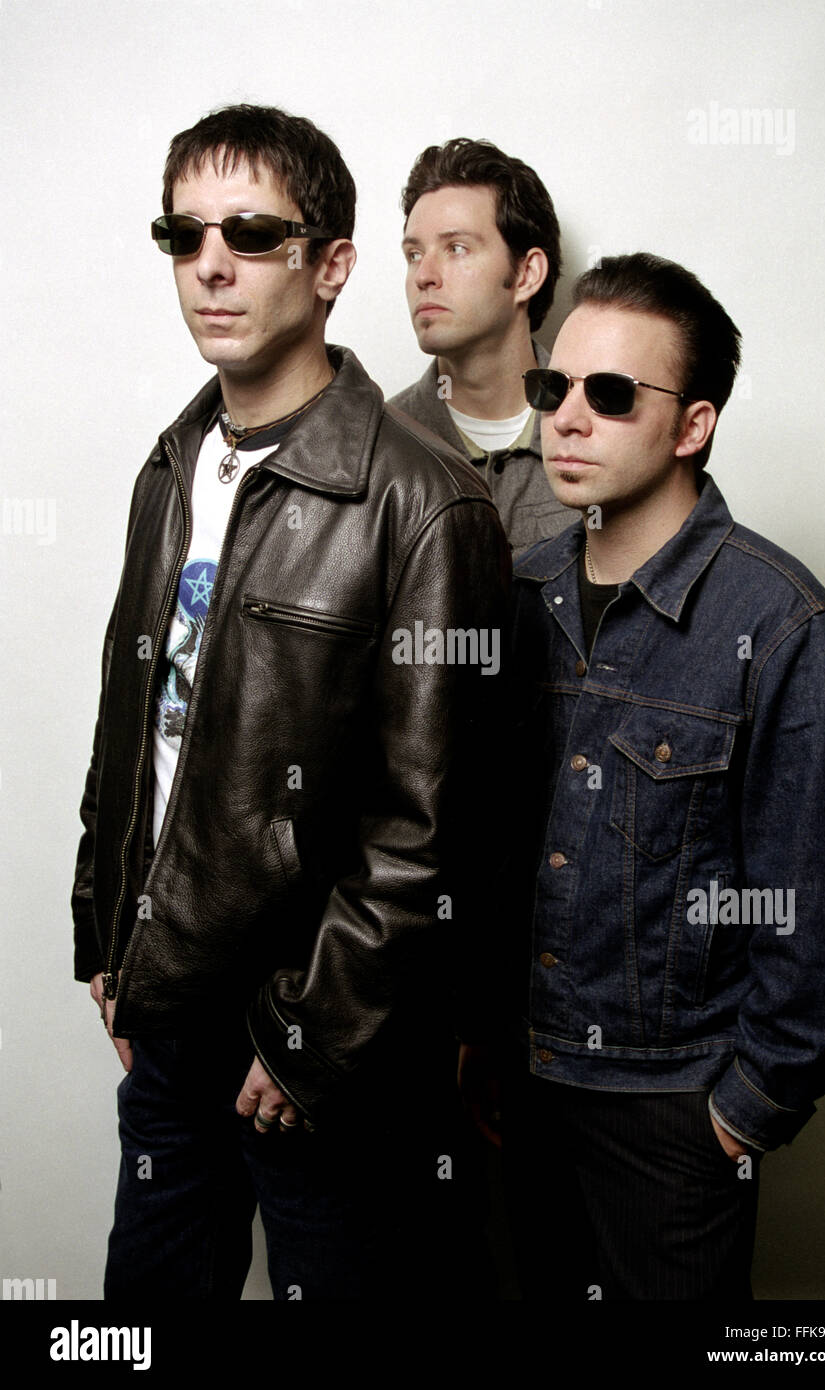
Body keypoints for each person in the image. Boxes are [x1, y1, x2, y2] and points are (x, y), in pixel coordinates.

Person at [71, 103, 510, 1301]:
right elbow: (132, 721)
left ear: (330, 266)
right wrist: (103, 930)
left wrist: (312, 1029)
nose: (208, 265)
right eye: (185, 233)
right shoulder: (170, 466)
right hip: (167, 1007)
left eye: (252, 235)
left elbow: (431, 823)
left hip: (321, 1042)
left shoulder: (422, 503)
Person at [498, 252, 825, 1300]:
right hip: (514, 1095)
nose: (568, 418)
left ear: (691, 424)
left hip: (671, 1118)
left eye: (612, 394)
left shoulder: (783, 624)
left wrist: (739, 1113)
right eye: (554, 387)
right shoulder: (514, 592)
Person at [389, 138, 569, 549]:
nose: (424, 276)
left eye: (456, 248)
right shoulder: (380, 446)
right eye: (414, 254)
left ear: (526, 275)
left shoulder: (595, 433)